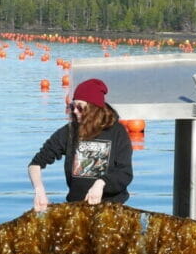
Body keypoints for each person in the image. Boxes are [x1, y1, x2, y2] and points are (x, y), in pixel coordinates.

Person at [29, 78, 133, 211]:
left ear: (94, 108)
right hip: (76, 207)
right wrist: (39, 190)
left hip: (111, 207)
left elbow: (125, 173)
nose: (75, 111)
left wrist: (101, 183)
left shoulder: (117, 132)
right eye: (72, 107)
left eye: (80, 107)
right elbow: (35, 164)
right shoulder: (69, 132)